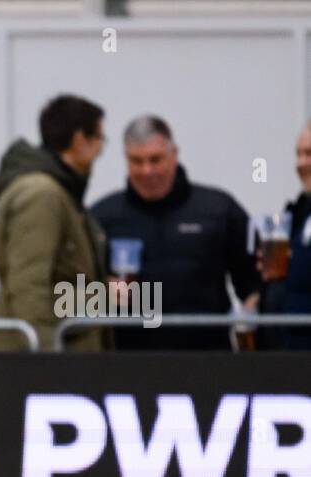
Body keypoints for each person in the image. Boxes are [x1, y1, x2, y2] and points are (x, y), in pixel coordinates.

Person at [90, 115, 259, 350]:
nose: (147, 170)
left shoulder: (218, 209)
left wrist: (254, 329)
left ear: (174, 154)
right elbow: (72, 292)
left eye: (155, 159)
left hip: (207, 360)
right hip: (127, 361)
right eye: (136, 161)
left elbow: (254, 281)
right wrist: (100, 289)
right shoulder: (102, 217)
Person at [0, 94, 108, 352]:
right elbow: (29, 286)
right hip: (40, 362)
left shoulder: (59, 192)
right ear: (79, 141)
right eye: (99, 139)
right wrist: (47, 359)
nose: (100, 150)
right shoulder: (42, 195)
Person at [257, 121, 311, 350]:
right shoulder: (297, 212)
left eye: (309, 154)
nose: (300, 163)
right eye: (298, 154)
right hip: (285, 350)